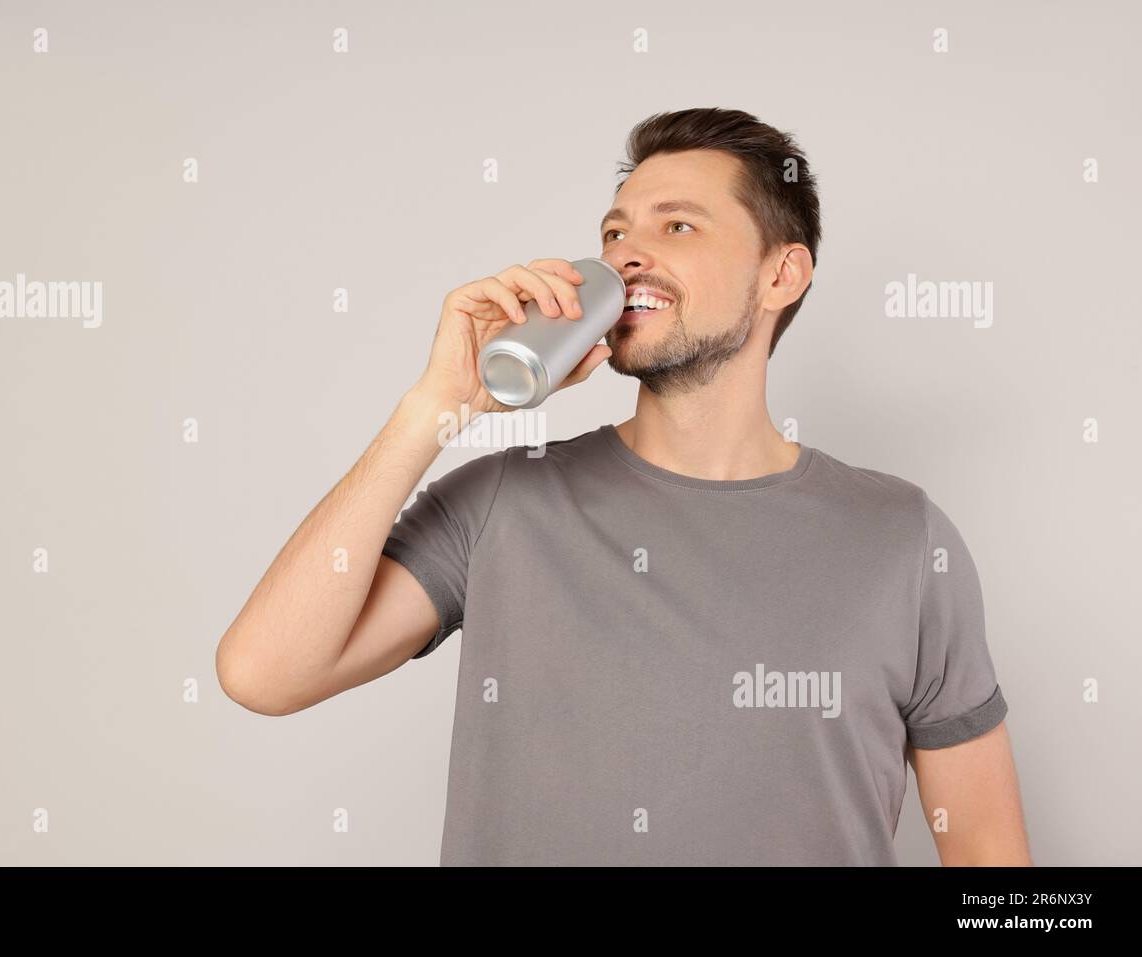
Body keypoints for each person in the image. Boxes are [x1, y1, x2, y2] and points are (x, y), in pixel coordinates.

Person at [215, 107, 1032, 867]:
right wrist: (435, 409)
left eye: (677, 224)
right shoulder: (506, 501)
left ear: (782, 274)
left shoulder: (902, 536)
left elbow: (991, 856)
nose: (625, 253)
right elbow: (264, 673)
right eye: (614, 231)